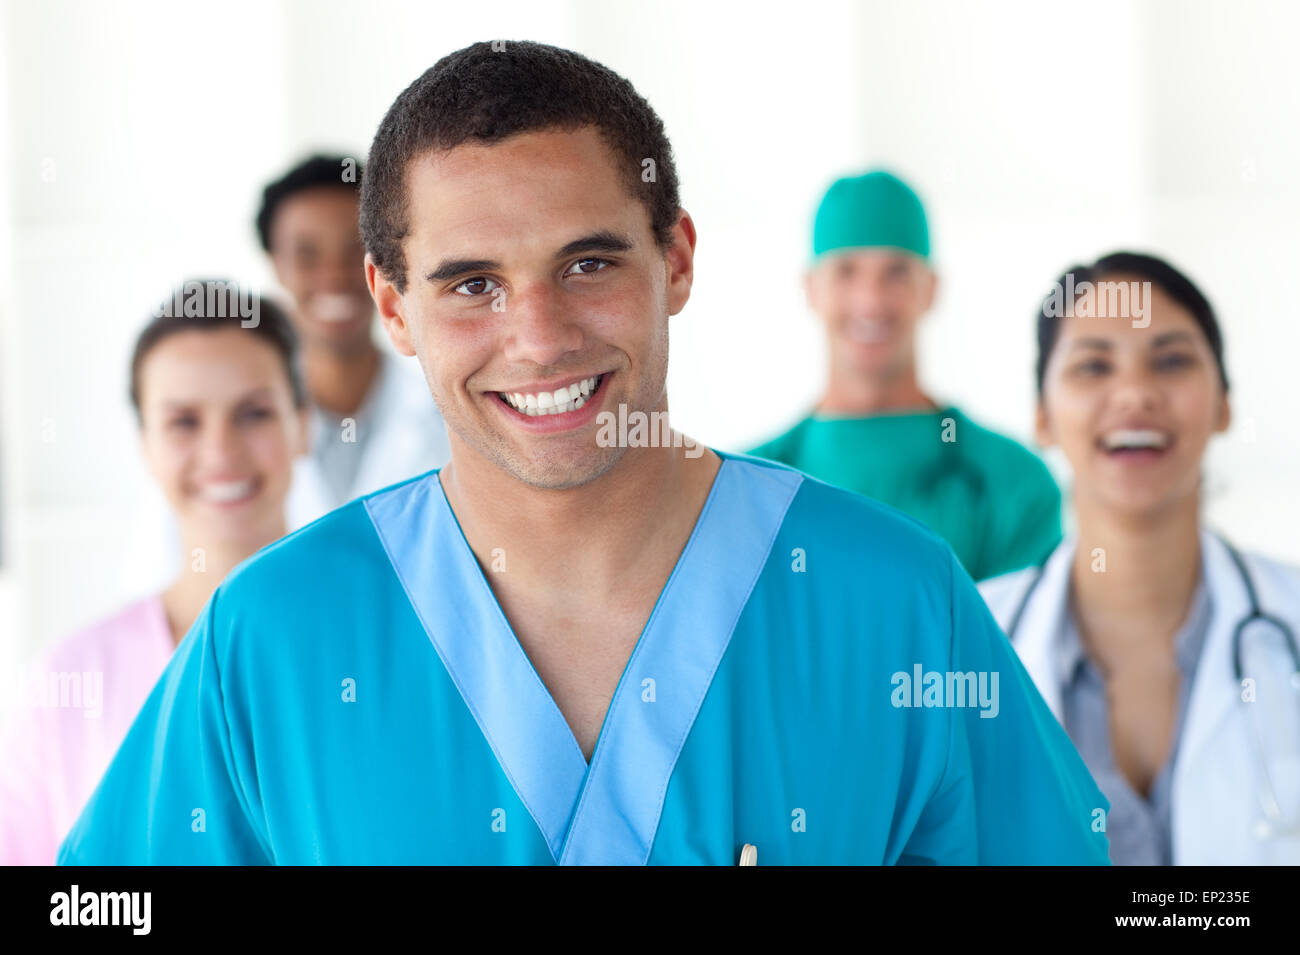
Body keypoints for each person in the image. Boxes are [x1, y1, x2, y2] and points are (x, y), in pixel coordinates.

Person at [59, 41, 1107, 866]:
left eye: (588, 262)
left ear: (677, 258)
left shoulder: (891, 601)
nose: (541, 337)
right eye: (472, 284)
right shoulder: (276, 635)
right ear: (393, 306)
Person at [979, 252, 1300, 864]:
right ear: (1043, 415)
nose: (1134, 394)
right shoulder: (966, 643)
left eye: (1172, 361)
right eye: (1093, 366)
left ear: (1225, 403)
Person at [0, 282, 307, 864]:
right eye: (183, 422)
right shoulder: (72, 680)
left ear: (305, 424)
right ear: (145, 444)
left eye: (254, 413)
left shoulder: (381, 644)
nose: (221, 453)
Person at [748, 170, 1062, 581]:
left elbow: (1024, 640)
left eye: (895, 273)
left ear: (931, 288)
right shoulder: (748, 485)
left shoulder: (1011, 482)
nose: (871, 300)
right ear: (811, 289)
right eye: (846, 272)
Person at [256, 155, 452, 526]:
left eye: (355, 251)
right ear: (276, 266)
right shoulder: (234, 428)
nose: (334, 277)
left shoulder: (445, 414)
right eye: (306, 255)